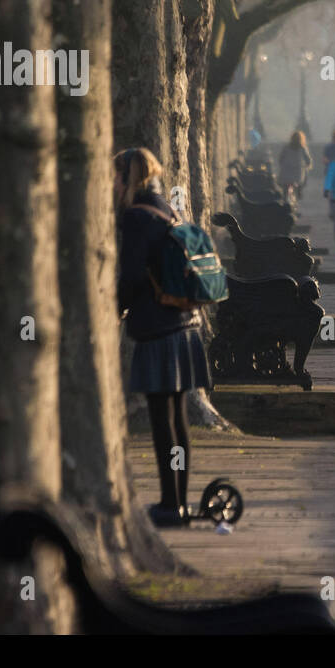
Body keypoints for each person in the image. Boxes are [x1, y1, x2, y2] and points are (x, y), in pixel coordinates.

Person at [114, 147, 212, 528]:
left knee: (161, 422)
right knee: (178, 420)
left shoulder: (137, 216)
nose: (113, 182)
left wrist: (116, 308)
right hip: (184, 324)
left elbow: (134, 275)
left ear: (129, 177)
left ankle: (170, 505)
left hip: (156, 329)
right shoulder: (168, 209)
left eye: (117, 176)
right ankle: (179, 501)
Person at [278, 130, 312, 206]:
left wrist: (282, 165)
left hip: (286, 173)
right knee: (301, 181)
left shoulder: (286, 147)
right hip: (297, 174)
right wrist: (307, 165)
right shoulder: (302, 148)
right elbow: (308, 160)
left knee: (285, 189)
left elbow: (280, 158)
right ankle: (299, 192)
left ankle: (284, 201)